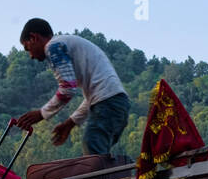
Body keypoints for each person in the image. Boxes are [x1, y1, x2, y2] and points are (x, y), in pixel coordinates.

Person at [14, 18, 131, 156]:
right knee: (99, 154)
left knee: (93, 153)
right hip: (119, 104)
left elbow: (68, 89)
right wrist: (70, 123)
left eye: (28, 48)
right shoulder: (66, 45)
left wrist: (42, 113)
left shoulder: (53, 47)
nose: (31, 56)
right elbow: (92, 97)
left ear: (34, 37)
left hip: (108, 105)